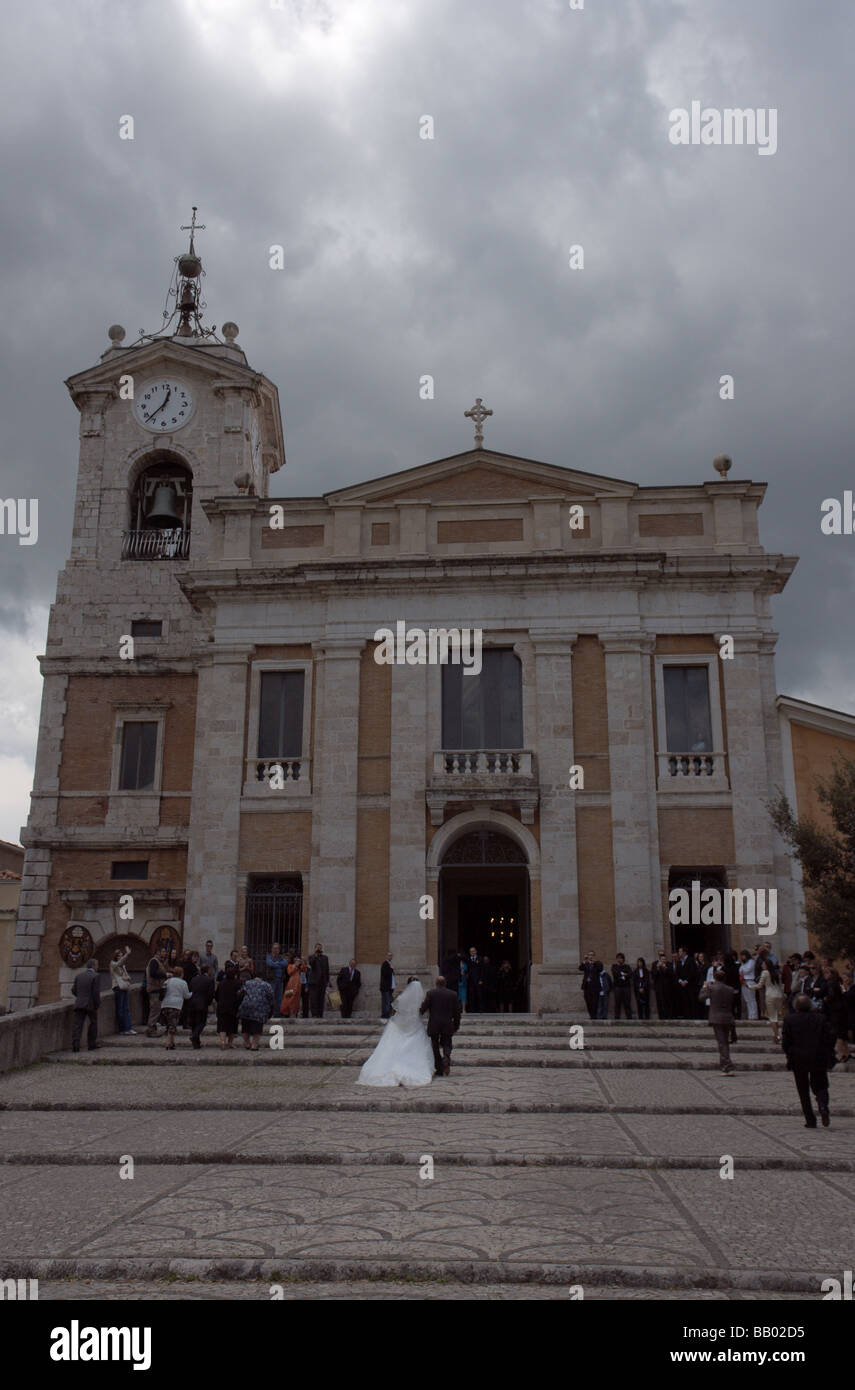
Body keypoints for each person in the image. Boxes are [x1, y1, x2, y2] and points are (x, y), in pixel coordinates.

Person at [356, 978, 435, 1087]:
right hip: (414, 1025)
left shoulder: (402, 998)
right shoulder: (421, 1000)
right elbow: (421, 1012)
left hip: (402, 1025)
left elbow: (397, 1011)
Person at [782, 993, 835, 1127]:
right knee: (821, 1084)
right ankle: (823, 1104)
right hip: (818, 1056)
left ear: (795, 1006)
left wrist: (789, 1052)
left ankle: (810, 1119)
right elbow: (829, 1037)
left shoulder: (789, 1020)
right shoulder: (820, 1018)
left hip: (798, 1058)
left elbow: (786, 1041)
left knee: (803, 1089)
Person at [419, 975, 463, 1077]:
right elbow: (457, 1012)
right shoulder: (453, 994)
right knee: (447, 1043)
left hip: (434, 1024)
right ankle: (446, 1057)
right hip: (447, 1023)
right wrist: (456, 1025)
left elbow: (424, 1008)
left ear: (436, 984)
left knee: (435, 1046)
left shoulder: (431, 993)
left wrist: (418, 1011)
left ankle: (439, 1068)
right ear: (445, 983)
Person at [700, 968, 737, 1075]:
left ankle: (726, 1066)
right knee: (725, 1041)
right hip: (728, 1017)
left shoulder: (711, 988)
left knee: (722, 1042)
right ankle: (726, 1063)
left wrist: (704, 987)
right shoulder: (730, 989)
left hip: (717, 1018)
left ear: (715, 978)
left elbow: (701, 998)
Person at [237, 973, 275, 1052]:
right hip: (259, 1008)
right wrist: (271, 1009)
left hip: (246, 1007)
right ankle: (254, 1045)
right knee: (257, 1028)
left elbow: (240, 993)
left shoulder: (247, 983)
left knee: (245, 1027)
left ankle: (247, 1043)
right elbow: (271, 996)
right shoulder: (266, 985)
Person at [71, 959, 101, 1053]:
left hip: (79, 1003)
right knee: (93, 1023)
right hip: (90, 1004)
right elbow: (96, 993)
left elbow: (73, 990)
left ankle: (75, 1045)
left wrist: (80, 997)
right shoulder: (96, 976)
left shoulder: (79, 976)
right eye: (97, 965)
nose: (97, 967)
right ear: (93, 965)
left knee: (78, 1025)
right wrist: (97, 1004)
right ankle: (91, 1044)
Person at [752, 957, 784, 1044]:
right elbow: (781, 985)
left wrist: (750, 987)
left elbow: (760, 985)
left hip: (770, 995)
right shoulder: (777, 973)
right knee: (777, 1016)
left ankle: (777, 1036)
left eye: (763, 964)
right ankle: (776, 1035)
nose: (762, 965)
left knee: (772, 1018)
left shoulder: (765, 972)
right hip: (779, 995)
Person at [822, 968, 849, 1063]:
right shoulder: (838, 982)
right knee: (842, 1033)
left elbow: (831, 995)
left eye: (827, 973)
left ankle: (841, 1054)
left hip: (835, 1012)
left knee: (838, 1033)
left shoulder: (831, 983)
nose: (825, 974)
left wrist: (825, 999)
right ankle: (846, 1053)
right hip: (841, 1011)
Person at [160, 966, 190, 1050]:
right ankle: (168, 1043)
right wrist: (192, 993)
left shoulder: (167, 981)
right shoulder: (183, 983)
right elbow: (186, 995)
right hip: (175, 1005)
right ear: (181, 974)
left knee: (169, 1024)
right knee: (172, 1025)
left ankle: (172, 1043)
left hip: (165, 1004)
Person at [188, 964, 215, 1049]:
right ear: (207, 971)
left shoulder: (193, 979)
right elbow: (211, 994)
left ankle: (196, 1043)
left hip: (192, 1003)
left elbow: (190, 990)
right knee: (201, 1022)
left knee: (194, 1023)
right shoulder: (209, 980)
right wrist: (208, 1002)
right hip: (202, 1003)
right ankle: (195, 1036)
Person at [110, 945, 135, 1036]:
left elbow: (127, 976)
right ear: (116, 957)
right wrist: (127, 955)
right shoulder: (113, 963)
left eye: (121, 955)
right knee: (120, 1009)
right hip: (118, 987)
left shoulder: (122, 966)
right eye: (119, 955)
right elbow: (118, 964)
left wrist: (127, 977)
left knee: (126, 1008)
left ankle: (128, 1028)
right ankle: (122, 1028)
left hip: (124, 987)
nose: (121, 957)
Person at [215, 960, 240, 1049]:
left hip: (222, 1007)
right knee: (232, 1026)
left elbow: (216, 995)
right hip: (233, 1007)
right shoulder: (238, 983)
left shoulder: (221, 983)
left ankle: (222, 1042)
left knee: (222, 1026)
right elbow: (240, 995)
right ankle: (230, 1043)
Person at [145, 948, 167, 1036]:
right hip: (154, 989)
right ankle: (151, 1029)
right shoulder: (154, 961)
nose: (164, 954)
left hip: (157, 988)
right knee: (154, 1009)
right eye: (163, 952)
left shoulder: (159, 962)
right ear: (158, 952)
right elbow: (153, 973)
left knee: (156, 1009)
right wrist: (165, 975)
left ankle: (153, 1028)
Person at [307, 943, 330, 1017]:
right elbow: (311, 964)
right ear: (315, 949)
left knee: (321, 999)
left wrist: (327, 980)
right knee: (314, 999)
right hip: (314, 982)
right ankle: (314, 1014)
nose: (319, 949)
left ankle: (320, 1014)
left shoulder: (325, 958)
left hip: (322, 982)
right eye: (317, 948)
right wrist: (315, 955)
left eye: (320, 948)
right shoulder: (311, 957)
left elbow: (327, 969)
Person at [674, 947, 697, 1018]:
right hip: (682, 985)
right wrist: (680, 981)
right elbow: (677, 973)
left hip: (690, 984)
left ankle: (693, 1016)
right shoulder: (679, 962)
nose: (679, 953)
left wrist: (686, 981)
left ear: (684, 952)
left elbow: (693, 972)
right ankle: (686, 1015)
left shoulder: (691, 960)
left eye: (680, 952)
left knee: (691, 1000)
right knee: (684, 1001)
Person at [266, 943, 287, 1017]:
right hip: (272, 980)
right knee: (271, 997)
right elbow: (270, 964)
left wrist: (276, 963)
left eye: (277, 948)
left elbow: (285, 963)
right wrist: (277, 964)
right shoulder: (269, 956)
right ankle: (269, 1013)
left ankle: (277, 1013)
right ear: (272, 949)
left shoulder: (281, 957)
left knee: (279, 997)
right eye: (274, 948)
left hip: (280, 980)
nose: (276, 950)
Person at [611, 953, 633, 1020]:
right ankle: (617, 1018)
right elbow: (615, 973)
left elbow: (630, 974)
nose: (620, 959)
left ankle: (629, 1017)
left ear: (623, 959)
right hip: (618, 986)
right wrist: (623, 974)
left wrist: (621, 974)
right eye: (618, 958)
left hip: (626, 987)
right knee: (617, 1003)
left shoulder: (627, 966)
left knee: (627, 1003)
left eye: (621, 958)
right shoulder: (614, 966)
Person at [651, 953, 673, 1020]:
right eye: (662, 959)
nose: (664, 960)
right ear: (660, 959)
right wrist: (657, 968)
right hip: (659, 987)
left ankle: (668, 1017)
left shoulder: (668, 965)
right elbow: (653, 975)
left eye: (665, 959)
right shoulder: (655, 965)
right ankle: (661, 1017)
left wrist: (666, 969)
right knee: (660, 1002)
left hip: (667, 987)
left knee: (667, 1002)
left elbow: (671, 975)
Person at [738, 950, 758, 1019]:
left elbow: (747, 970)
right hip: (744, 981)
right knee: (747, 999)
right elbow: (740, 970)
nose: (742, 957)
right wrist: (742, 971)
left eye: (743, 955)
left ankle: (754, 1015)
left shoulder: (751, 962)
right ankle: (750, 1015)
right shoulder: (743, 963)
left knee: (752, 999)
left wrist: (742, 971)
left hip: (750, 981)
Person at [282, 954, 302, 1018]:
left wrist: (302, 963)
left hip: (298, 985)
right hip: (290, 985)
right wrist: (295, 966)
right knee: (288, 998)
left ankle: (294, 1012)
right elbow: (289, 972)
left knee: (296, 1000)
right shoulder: (290, 965)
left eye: (298, 959)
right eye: (295, 959)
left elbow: (305, 970)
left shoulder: (300, 967)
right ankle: (286, 1013)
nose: (296, 960)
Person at [466, 948, 483, 1013]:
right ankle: (472, 1009)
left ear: (476, 951)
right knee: (471, 995)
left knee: (479, 995)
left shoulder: (480, 959)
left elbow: (482, 970)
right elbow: (467, 968)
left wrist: (481, 979)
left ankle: (480, 1009)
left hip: (478, 979)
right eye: (471, 951)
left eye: (473, 951)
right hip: (470, 980)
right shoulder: (468, 959)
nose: (472, 952)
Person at [380, 952, 395, 1020]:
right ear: (386, 956)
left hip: (389, 987)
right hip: (385, 987)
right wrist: (391, 969)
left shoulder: (390, 964)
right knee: (386, 1001)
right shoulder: (385, 964)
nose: (390, 957)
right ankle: (385, 1014)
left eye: (391, 956)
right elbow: (385, 974)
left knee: (389, 1001)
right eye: (389, 955)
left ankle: (388, 1014)